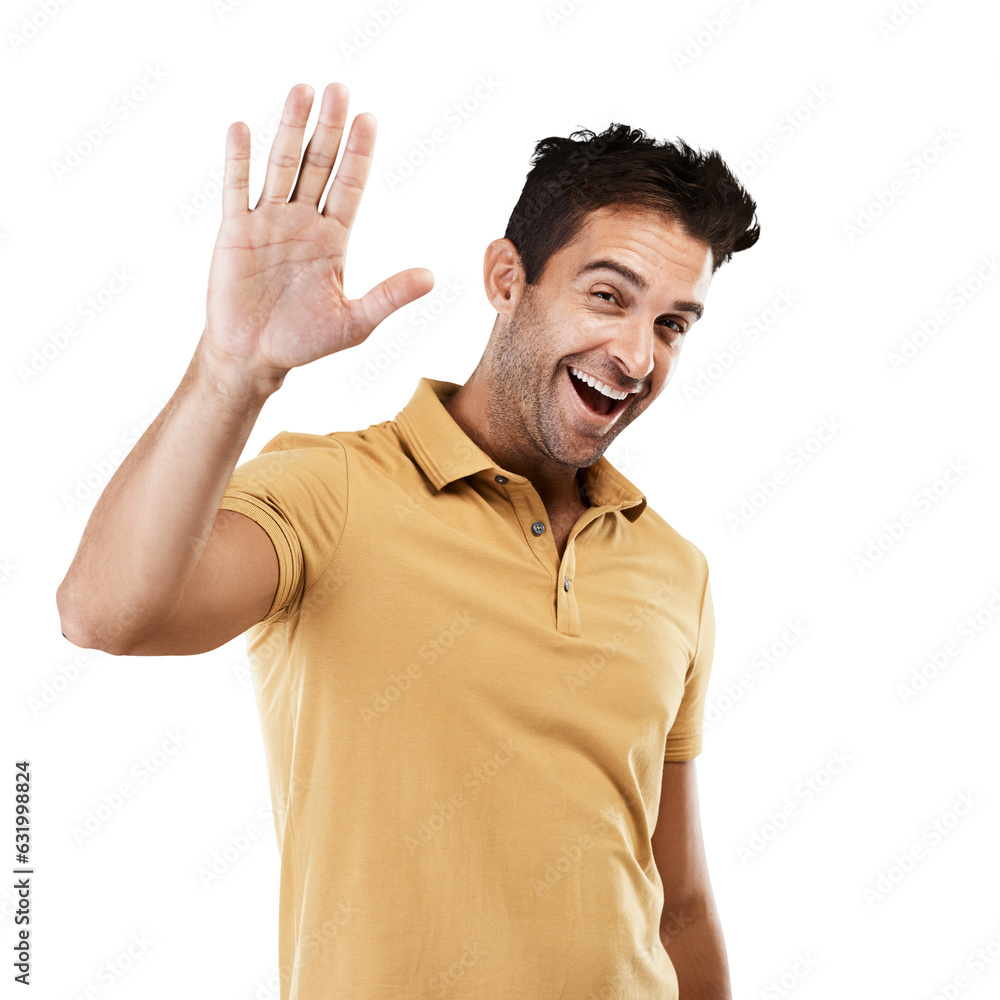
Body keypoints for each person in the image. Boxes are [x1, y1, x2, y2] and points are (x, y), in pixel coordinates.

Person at [57, 81, 759, 999]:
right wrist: (233, 369)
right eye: (607, 296)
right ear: (509, 278)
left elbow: (681, 907)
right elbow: (103, 614)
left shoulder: (675, 569)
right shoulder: (333, 489)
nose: (636, 355)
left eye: (672, 324)